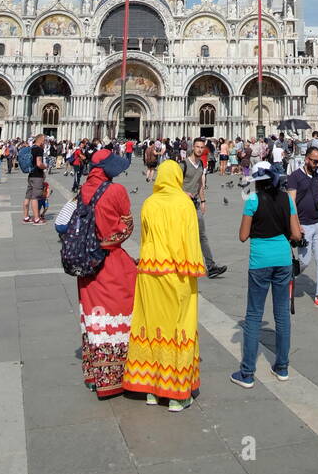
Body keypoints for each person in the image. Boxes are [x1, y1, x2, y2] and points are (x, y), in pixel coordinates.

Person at [123, 159, 207, 411]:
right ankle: (177, 395)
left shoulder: (149, 203)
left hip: (149, 271)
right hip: (176, 272)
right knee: (179, 327)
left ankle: (150, 389)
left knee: (151, 326)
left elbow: (145, 239)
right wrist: (194, 268)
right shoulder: (184, 203)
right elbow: (191, 240)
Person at [231, 161, 301, 387]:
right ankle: (282, 368)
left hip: (260, 262)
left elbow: (243, 236)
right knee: (281, 315)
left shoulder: (252, 200)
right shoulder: (287, 199)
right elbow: (297, 234)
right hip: (283, 261)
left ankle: (247, 373)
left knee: (253, 316)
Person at [77, 150, 138, 396]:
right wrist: (107, 242)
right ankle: (117, 377)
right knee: (119, 316)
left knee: (94, 319)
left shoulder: (81, 191)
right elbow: (127, 227)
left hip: (87, 266)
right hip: (111, 262)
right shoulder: (116, 191)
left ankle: (95, 376)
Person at [285, 146, 318, 309]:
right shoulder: (294, 177)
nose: (317, 164)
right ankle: (288, 277)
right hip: (304, 225)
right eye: (315, 161)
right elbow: (291, 203)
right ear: (306, 159)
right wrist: (296, 226)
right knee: (305, 261)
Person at [182, 137, 226, 279]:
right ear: (192, 147)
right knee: (182, 235)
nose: (200, 149)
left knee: (202, 236)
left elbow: (200, 184)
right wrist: (183, 193)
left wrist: (203, 201)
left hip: (194, 204)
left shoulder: (201, 164)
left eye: (202, 147)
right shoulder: (182, 165)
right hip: (181, 205)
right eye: (197, 147)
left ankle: (211, 266)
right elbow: (172, 184)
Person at [22, 134, 47, 224]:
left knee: (27, 196)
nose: (44, 142)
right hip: (37, 176)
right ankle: (36, 218)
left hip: (31, 175)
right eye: (44, 140)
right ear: (40, 140)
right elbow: (39, 163)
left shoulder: (31, 148)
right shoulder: (39, 149)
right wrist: (45, 167)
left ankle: (25, 217)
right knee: (35, 197)